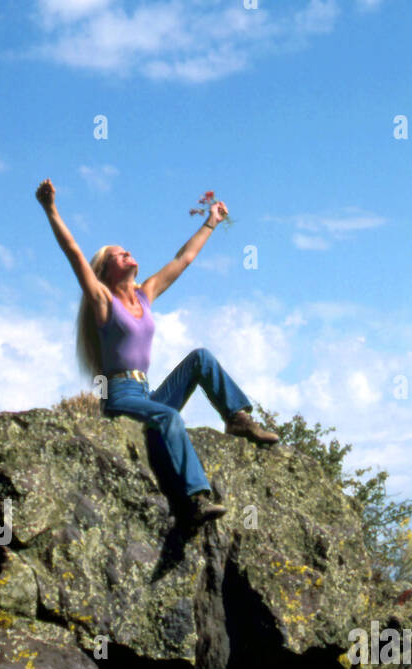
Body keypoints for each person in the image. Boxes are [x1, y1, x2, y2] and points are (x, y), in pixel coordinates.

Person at [36, 178, 279, 529]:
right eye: (119, 254)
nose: (128, 253)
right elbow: (74, 252)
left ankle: (238, 419)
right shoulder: (104, 302)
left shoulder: (146, 294)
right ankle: (195, 500)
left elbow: (184, 258)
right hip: (119, 396)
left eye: (127, 250)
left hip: (147, 393)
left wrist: (212, 220)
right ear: (105, 270)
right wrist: (50, 208)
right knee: (170, 419)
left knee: (201, 357)